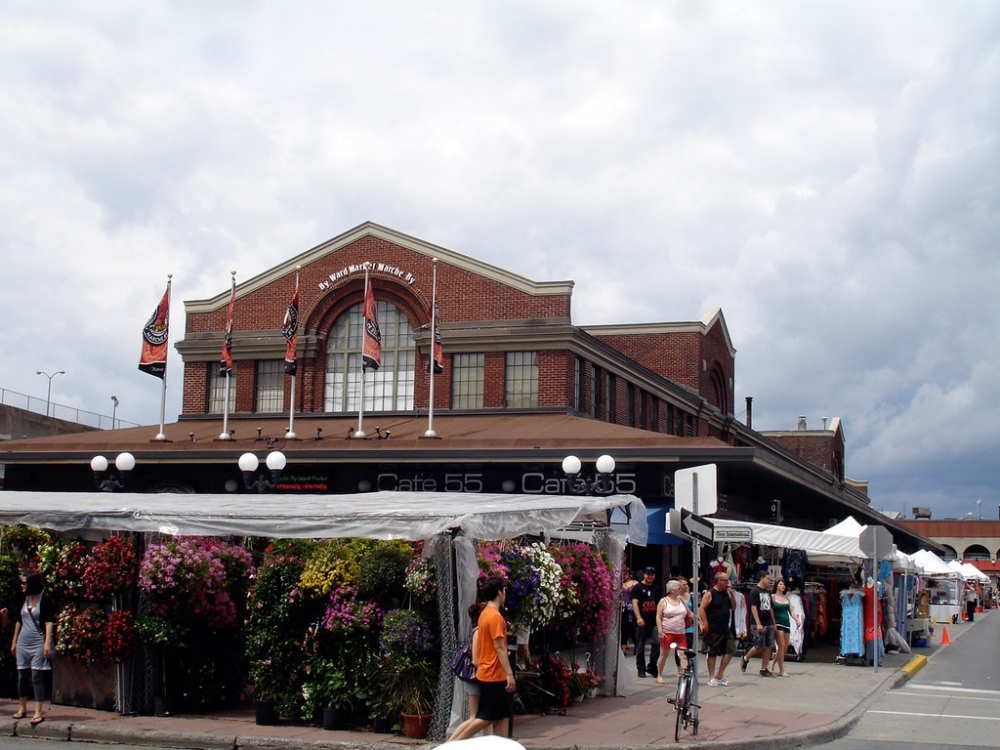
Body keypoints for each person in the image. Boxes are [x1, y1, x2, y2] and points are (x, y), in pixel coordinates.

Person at [449, 576, 515, 741]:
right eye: (504, 590)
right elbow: (499, 647)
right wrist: (509, 673)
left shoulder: (485, 614)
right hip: (494, 673)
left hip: (489, 672)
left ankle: (502, 745)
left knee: (503, 714)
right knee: (486, 717)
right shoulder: (495, 617)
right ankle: (454, 744)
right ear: (500, 592)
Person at [11, 572, 56, 725]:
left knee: (37, 676)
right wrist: (14, 640)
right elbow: (19, 620)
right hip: (23, 641)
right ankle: (22, 707)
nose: (22, 585)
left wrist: (47, 642)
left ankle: (38, 710)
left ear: (32, 584)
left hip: (37, 641)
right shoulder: (23, 600)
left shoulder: (45, 600)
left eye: (24, 583)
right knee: (22, 676)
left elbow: (49, 622)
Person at [448, 603, 490, 741]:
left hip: (479, 678)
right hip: (477, 678)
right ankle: (450, 744)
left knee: (485, 717)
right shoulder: (479, 632)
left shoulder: (481, 630)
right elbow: (476, 660)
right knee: (475, 717)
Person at [698, 570, 737, 687]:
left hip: (725, 626)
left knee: (731, 649)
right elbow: (701, 609)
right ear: (718, 581)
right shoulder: (710, 593)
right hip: (713, 627)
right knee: (712, 652)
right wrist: (705, 623)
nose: (727, 583)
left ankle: (720, 674)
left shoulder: (726, 593)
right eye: (725, 580)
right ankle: (711, 676)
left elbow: (733, 607)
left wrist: (732, 595)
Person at [740, 570, 775, 677]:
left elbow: (770, 608)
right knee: (759, 645)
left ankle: (764, 668)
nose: (769, 581)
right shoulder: (755, 591)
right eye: (768, 578)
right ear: (762, 578)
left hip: (768, 622)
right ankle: (746, 658)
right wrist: (758, 623)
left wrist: (774, 623)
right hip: (758, 623)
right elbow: (753, 607)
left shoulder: (768, 592)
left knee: (769, 646)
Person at [654, 580, 689, 684]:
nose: (680, 589)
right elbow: (658, 617)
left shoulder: (681, 600)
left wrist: (699, 620)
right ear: (671, 590)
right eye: (678, 587)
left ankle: (684, 673)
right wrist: (660, 631)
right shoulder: (663, 601)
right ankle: (659, 674)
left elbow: (689, 613)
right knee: (664, 654)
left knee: (683, 654)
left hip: (680, 632)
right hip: (668, 632)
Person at [767, 577, 801, 677]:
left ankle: (772, 662)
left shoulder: (786, 598)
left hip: (786, 623)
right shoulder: (772, 597)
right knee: (781, 645)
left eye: (783, 584)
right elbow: (771, 611)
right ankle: (781, 669)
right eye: (780, 584)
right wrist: (773, 623)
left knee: (785, 647)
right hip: (778, 623)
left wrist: (797, 619)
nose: (782, 586)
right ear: (776, 585)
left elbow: (791, 611)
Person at [631, 566, 660, 678]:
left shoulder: (656, 589)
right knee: (640, 646)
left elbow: (659, 604)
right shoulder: (638, 588)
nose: (650, 577)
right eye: (648, 574)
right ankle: (641, 668)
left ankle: (652, 666)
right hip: (642, 620)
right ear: (644, 575)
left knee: (657, 643)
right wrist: (638, 618)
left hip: (653, 621)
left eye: (652, 575)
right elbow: (634, 603)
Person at [620, 566, 639, 655]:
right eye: (623, 574)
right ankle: (623, 649)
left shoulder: (635, 583)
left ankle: (637, 646)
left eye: (625, 574)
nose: (624, 576)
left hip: (634, 607)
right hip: (624, 608)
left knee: (634, 628)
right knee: (625, 629)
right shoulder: (621, 584)